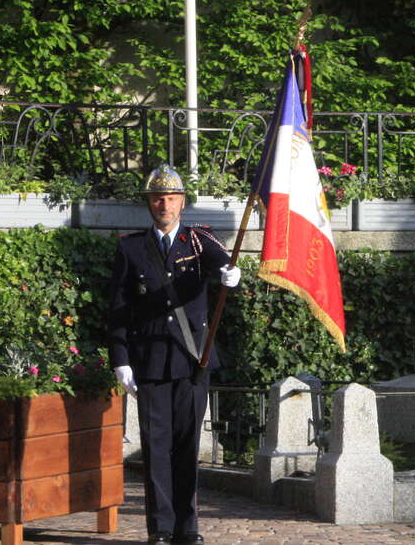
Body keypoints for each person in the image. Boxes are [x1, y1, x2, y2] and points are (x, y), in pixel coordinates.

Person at [106, 164, 241, 545]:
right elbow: (118, 308)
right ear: (149, 203)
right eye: (156, 198)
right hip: (148, 362)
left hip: (191, 359)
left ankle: (188, 527)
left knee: (186, 446)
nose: (164, 204)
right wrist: (120, 359)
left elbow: (220, 264)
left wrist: (232, 274)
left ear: (182, 202)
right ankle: (161, 528)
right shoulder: (130, 247)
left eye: (170, 197)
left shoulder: (199, 241)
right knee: (155, 447)